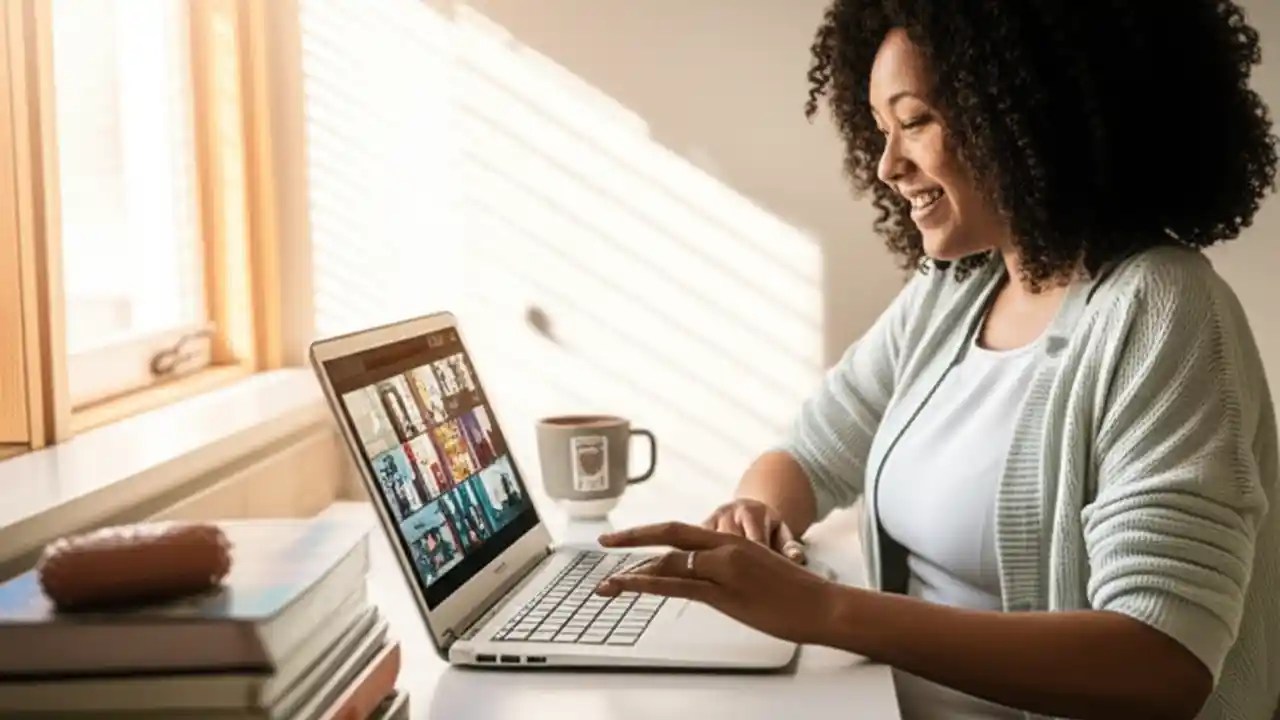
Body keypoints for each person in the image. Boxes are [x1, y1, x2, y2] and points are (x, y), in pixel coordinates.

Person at [593, 1, 1280, 718]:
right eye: (881, 131)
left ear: (1024, 113)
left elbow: (1161, 662)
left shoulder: (1164, 310)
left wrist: (824, 610)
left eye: (914, 121)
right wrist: (756, 518)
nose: (888, 165)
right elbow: (810, 452)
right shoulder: (960, 291)